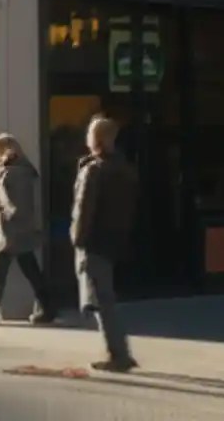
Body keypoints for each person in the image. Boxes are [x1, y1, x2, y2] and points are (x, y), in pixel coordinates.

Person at [72, 114, 139, 372]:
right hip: (114, 238)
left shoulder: (94, 170)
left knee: (102, 299)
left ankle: (118, 354)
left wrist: (78, 239)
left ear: (94, 139)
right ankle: (119, 351)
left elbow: (83, 210)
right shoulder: (125, 168)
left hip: (94, 240)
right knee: (103, 296)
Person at [0, 133, 55, 325]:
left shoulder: (12, 174)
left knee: (0, 270)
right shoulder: (24, 171)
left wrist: (3, 217)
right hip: (19, 230)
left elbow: (10, 204)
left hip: (10, 230)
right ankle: (47, 307)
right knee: (29, 269)